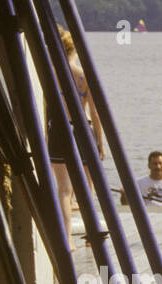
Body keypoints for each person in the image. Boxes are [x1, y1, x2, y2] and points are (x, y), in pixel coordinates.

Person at [46, 25, 103, 236]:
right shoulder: (84, 75)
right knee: (87, 188)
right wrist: (100, 144)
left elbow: (46, 107)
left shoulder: (51, 74)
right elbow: (95, 114)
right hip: (82, 129)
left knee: (64, 189)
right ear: (75, 50)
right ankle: (91, 234)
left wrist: (45, 135)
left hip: (59, 128)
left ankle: (67, 237)